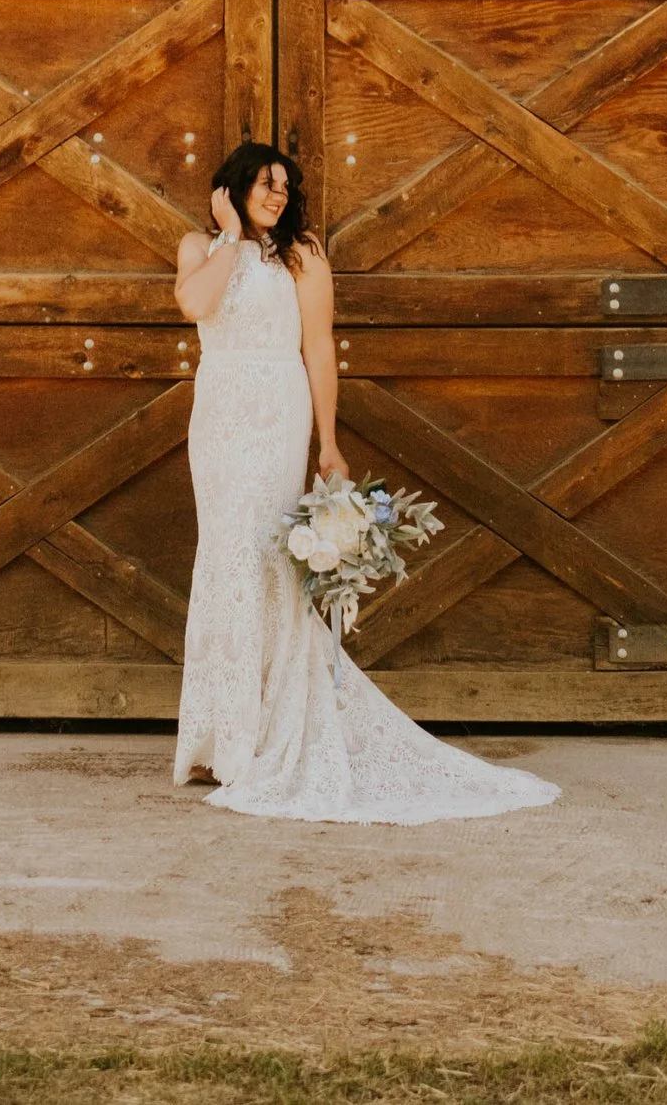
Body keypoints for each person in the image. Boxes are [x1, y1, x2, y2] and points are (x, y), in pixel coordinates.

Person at [169, 138, 558, 823]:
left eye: (285, 186)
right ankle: (219, 740)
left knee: (264, 558)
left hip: (277, 409)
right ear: (233, 187)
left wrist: (329, 443)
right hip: (221, 412)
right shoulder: (199, 246)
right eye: (264, 182)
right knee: (223, 559)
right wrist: (230, 236)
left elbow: (318, 347)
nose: (277, 194)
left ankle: (262, 737)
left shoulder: (305, 255)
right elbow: (195, 305)